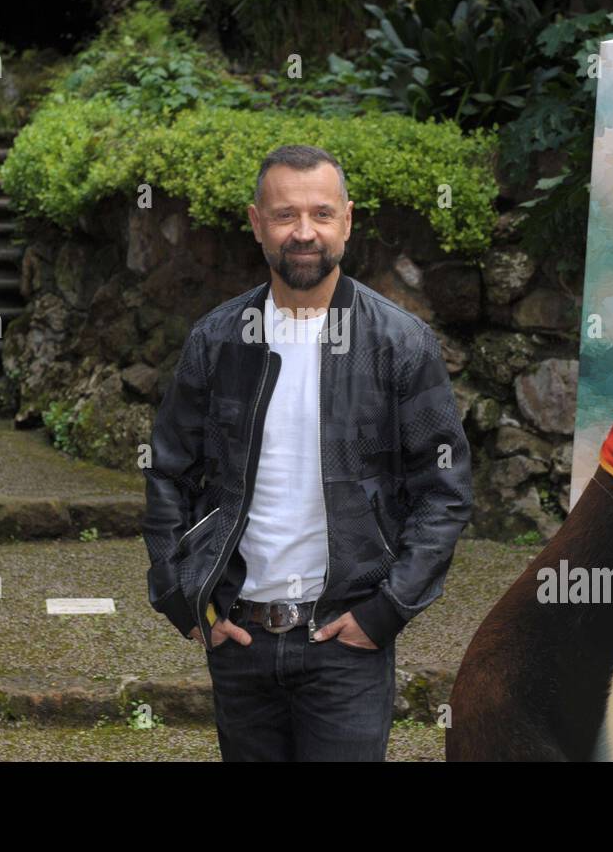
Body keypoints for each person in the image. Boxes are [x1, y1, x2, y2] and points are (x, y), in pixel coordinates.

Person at [140, 144, 473, 761]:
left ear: (347, 221)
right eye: (285, 214)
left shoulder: (399, 343)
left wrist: (388, 610)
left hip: (345, 642)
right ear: (256, 222)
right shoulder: (217, 340)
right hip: (240, 638)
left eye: (321, 214)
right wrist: (182, 597)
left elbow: (444, 490)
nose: (304, 232)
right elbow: (168, 474)